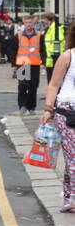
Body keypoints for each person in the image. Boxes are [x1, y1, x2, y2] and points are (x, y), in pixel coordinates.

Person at [42, 26, 75, 211]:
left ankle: (69, 198)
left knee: (72, 157)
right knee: (73, 156)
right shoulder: (68, 56)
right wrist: (48, 109)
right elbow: (54, 85)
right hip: (68, 112)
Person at [14, 16, 42, 114]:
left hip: (34, 64)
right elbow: (13, 49)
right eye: (26, 22)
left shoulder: (39, 35)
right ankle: (22, 106)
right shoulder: (19, 35)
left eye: (30, 22)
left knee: (33, 86)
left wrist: (43, 62)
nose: (28, 24)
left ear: (33, 23)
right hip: (22, 64)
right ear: (24, 23)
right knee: (22, 85)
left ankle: (31, 107)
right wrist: (13, 64)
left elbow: (42, 50)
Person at [42, 12, 65, 82]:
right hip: (50, 60)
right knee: (51, 81)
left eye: (44, 19)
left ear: (47, 19)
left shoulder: (55, 28)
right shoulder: (49, 28)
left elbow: (60, 42)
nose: (43, 20)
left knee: (55, 82)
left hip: (55, 59)